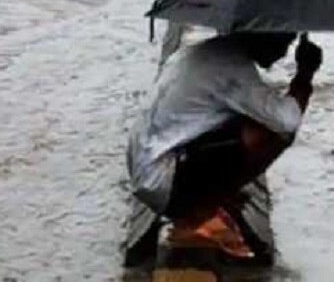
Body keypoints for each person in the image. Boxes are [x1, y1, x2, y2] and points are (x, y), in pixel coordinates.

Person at [127, 32, 323, 258]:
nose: (283, 53)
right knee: (270, 135)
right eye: (283, 43)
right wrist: (304, 75)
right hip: (163, 183)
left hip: (148, 168)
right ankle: (195, 217)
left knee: (250, 119)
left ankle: (205, 204)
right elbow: (287, 121)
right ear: (263, 37)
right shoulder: (232, 68)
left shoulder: (206, 52)